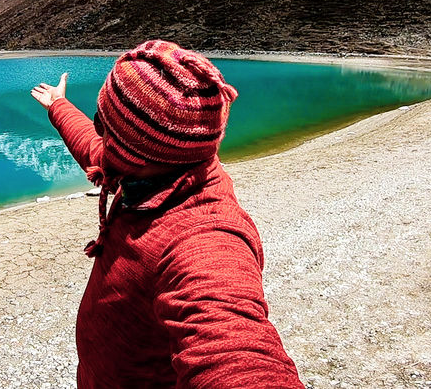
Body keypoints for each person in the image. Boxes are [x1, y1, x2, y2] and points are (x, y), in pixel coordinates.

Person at [31, 40, 304, 389]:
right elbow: (93, 148)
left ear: (134, 149)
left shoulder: (204, 238)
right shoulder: (156, 170)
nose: (100, 133)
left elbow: (235, 355)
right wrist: (58, 105)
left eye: (103, 123)